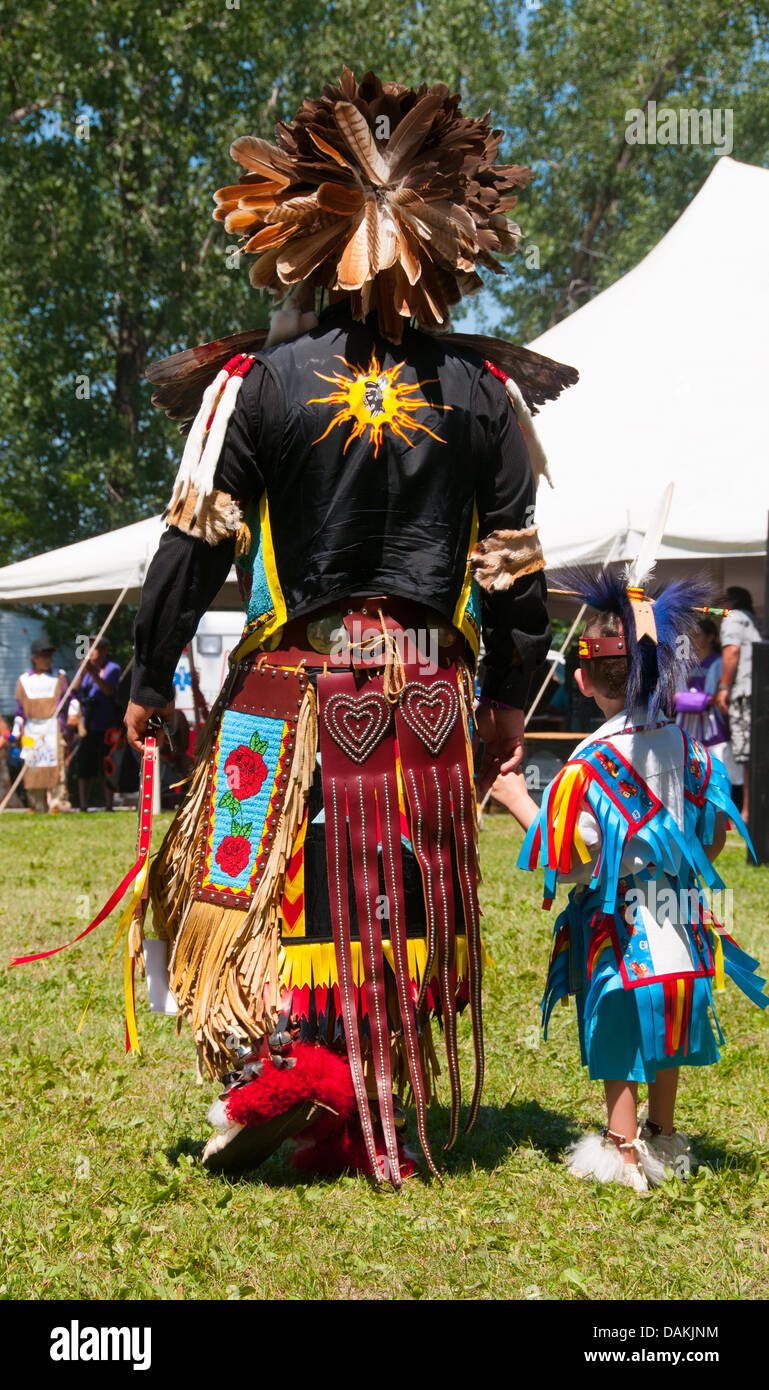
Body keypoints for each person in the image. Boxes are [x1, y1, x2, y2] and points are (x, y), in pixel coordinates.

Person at [123, 68, 577, 1185]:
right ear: (444, 236)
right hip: (423, 689)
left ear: (302, 236)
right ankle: (377, 1108)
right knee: (396, 894)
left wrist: (145, 673)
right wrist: (511, 696)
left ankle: (285, 1076)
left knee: (258, 888)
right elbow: (515, 571)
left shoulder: (260, 382)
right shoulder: (477, 394)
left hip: (290, 684)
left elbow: (197, 542)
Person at [491, 566, 767, 1194]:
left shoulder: (589, 762)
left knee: (619, 1035)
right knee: (666, 1028)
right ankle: (665, 1136)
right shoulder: (692, 749)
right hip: (686, 927)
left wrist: (516, 799)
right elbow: (713, 837)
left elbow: (571, 859)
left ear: (582, 679)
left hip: (621, 932)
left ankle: (623, 1151)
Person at [717, 587, 761, 821]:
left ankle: (748, 811)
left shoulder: (733, 618)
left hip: (746, 692)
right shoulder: (757, 621)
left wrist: (723, 686)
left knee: (748, 753)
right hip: (761, 691)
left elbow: (732, 650)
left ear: (732, 601)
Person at [12, 637, 69, 812]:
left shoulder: (59, 677)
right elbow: (20, 710)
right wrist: (16, 730)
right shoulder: (23, 680)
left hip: (53, 729)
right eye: (44, 656)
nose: (48, 660)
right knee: (32, 765)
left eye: (50, 656)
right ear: (34, 658)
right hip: (30, 731)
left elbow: (70, 700)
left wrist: (74, 718)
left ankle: (58, 803)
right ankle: (36, 804)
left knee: (57, 765)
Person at [71, 638, 123, 811]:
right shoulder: (85, 669)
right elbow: (74, 690)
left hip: (107, 725)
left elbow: (109, 690)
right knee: (84, 766)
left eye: (97, 648)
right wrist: (82, 670)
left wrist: (93, 672)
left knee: (106, 765)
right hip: (88, 725)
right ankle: (83, 805)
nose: (93, 652)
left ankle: (109, 804)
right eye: (91, 648)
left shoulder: (111, 668)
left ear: (104, 650)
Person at [673, 617, 730, 764]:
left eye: (697, 635)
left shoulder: (718, 662)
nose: (693, 639)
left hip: (712, 728)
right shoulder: (691, 663)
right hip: (690, 726)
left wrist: (683, 700)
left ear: (710, 637)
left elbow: (714, 697)